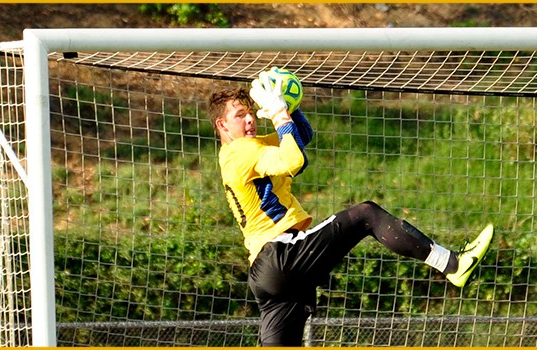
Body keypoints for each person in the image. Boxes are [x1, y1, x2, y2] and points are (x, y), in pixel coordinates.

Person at [207, 69, 494, 346]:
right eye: (239, 115)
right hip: (282, 254)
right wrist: (280, 114)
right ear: (222, 125)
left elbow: (301, 136)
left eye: (250, 112)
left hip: (266, 275)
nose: (250, 119)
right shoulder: (242, 150)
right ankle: (452, 264)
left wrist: (288, 105)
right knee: (366, 214)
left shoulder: (236, 153)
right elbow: (296, 161)